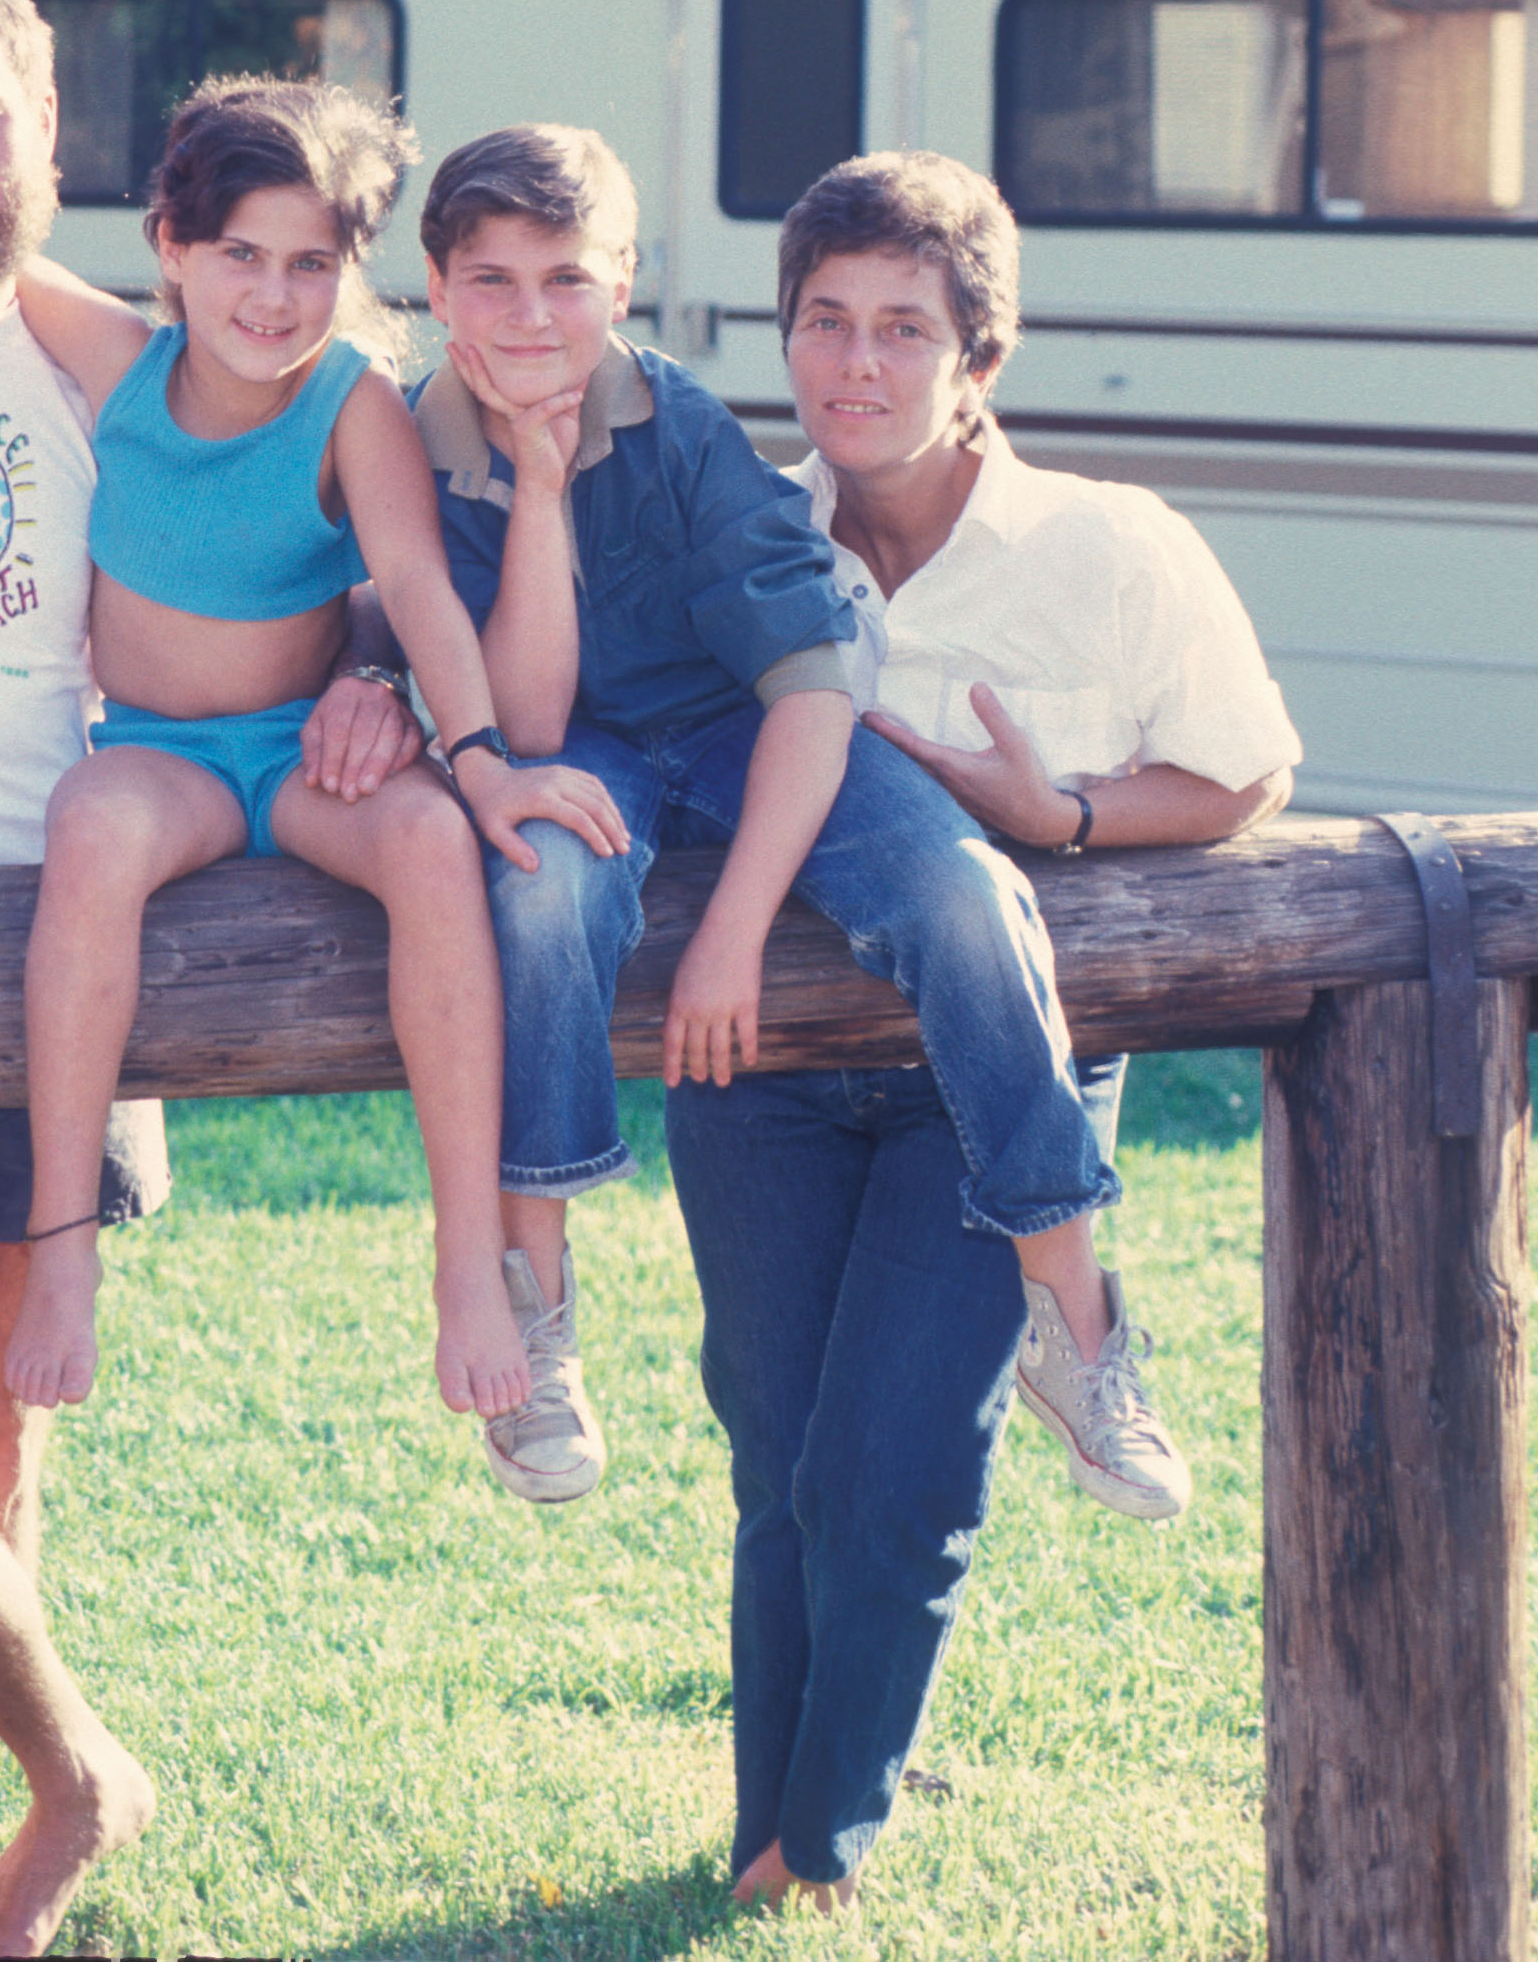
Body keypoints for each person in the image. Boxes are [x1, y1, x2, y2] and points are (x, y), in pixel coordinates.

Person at [0, 0, 424, 1956]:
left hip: (69, 941)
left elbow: (346, 495)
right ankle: (80, 1768)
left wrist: (382, 676)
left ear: (47, 134)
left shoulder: (131, 357)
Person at [670, 150, 1296, 1910]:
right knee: (778, 1453)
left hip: (989, 1088)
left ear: (979, 357)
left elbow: (1246, 766)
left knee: (893, 1469)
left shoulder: (1108, 543)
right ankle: (765, 1833)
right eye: (819, 323)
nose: (852, 365)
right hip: (767, 1077)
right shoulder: (734, 544)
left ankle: (823, 1849)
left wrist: (1069, 812)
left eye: (900, 330)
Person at [416, 123, 1146, 1514]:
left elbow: (812, 685)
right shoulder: (420, 437)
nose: (528, 315)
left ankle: (1077, 1319)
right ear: (438, 289)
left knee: (966, 895)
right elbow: (523, 711)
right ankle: (538, 1305)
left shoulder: (680, 426)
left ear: (621, 284)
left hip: (758, 732)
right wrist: (539, 482)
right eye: (490, 280)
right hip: (574, 752)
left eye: (564, 278)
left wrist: (732, 928)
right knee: (542, 891)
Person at [5, 78, 629, 1486]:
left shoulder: (352, 401)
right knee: (86, 826)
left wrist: (476, 770)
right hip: (159, 760)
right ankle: (62, 1247)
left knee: (424, 842)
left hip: (296, 751)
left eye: (308, 263)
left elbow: (411, 583)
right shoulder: (113, 361)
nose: (273, 297)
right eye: (239, 253)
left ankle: (469, 1260)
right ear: (169, 241)